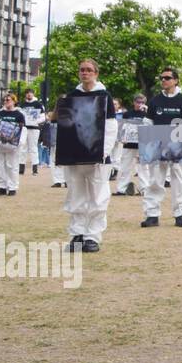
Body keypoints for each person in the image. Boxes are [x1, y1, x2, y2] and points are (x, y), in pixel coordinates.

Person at [59, 59, 117, 253]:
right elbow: (66, 125)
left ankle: (92, 236)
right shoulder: (73, 96)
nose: (85, 73)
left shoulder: (104, 96)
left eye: (89, 70)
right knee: (76, 194)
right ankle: (77, 233)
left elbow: (110, 127)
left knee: (98, 196)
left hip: (98, 157)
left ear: (96, 73)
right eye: (82, 70)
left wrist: (103, 152)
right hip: (75, 156)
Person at [141, 67, 182, 227]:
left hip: (178, 146)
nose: (164, 81)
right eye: (162, 78)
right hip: (157, 145)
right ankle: (152, 214)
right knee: (155, 181)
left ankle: (180, 214)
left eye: (167, 78)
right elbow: (148, 124)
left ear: (176, 80)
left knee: (179, 180)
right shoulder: (155, 101)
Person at [114, 95, 149, 196]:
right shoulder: (127, 114)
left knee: (143, 168)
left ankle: (145, 189)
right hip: (128, 145)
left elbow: (150, 128)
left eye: (142, 102)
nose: (139, 104)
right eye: (137, 102)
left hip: (142, 145)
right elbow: (122, 128)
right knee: (125, 167)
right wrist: (121, 138)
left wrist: (147, 112)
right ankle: (121, 189)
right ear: (134, 102)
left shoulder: (147, 114)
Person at [0, 94, 24, 196]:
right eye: (5, 100)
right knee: (0, 166)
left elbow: (22, 130)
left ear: (14, 101)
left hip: (13, 144)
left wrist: (18, 143)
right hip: (0, 143)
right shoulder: (0, 113)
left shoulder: (19, 115)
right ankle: (1, 187)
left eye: (8, 100)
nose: (6, 101)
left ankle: (12, 187)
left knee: (12, 166)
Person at [18, 89, 45, 177]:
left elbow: (43, 117)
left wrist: (35, 121)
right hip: (24, 128)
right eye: (27, 93)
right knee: (23, 148)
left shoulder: (38, 104)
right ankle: (21, 169)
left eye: (30, 93)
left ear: (33, 94)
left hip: (34, 128)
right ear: (25, 95)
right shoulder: (22, 105)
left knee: (33, 148)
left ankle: (35, 169)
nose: (29, 95)